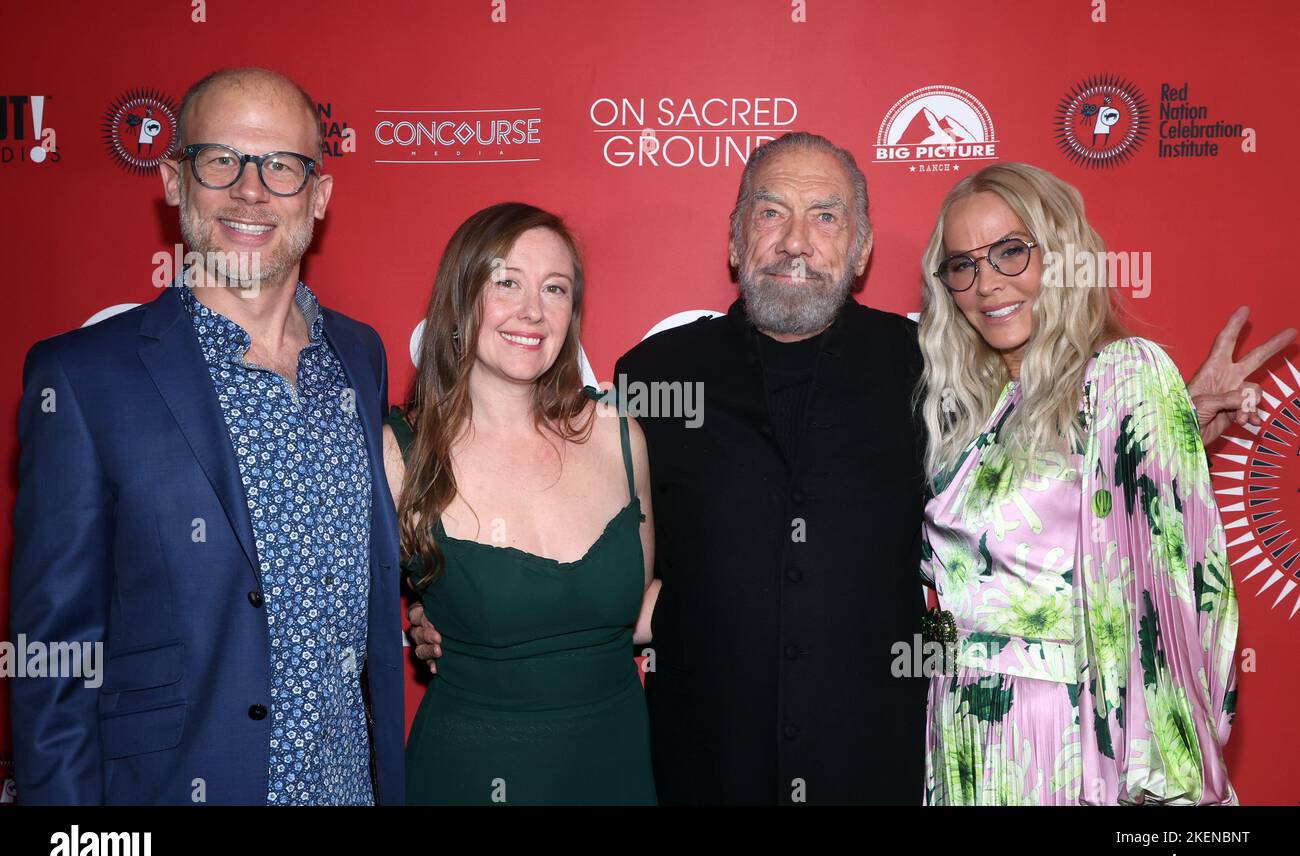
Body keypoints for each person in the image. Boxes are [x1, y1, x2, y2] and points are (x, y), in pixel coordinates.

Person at [408, 132, 1292, 805]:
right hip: (698, 773)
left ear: (862, 248)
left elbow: (1051, 462)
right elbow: (560, 519)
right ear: (734, 235)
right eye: (771, 211)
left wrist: (1169, 424)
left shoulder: (938, 373)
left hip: (897, 772)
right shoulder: (651, 381)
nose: (797, 239)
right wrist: (455, 607)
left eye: (826, 215)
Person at [8, 68, 405, 805]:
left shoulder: (360, 355)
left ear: (318, 196)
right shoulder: (85, 378)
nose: (250, 190)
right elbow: (51, 659)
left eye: (281, 166)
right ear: (173, 179)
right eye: (220, 159)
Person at [916, 162, 1238, 804]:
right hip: (964, 729)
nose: (987, 285)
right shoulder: (962, 409)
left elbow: (1168, 605)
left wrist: (1158, 789)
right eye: (963, 265)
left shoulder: (1125, 377)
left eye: (1011, 252)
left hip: (1072, 740)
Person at [384, 202, 657, 805]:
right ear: (461, 300)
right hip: (470, 771)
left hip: (615, 767)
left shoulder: (620, 438)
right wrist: (428, 617)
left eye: (554, 289)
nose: (532, 310)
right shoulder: (397, 453)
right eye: (506, 281)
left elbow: (636, 611)